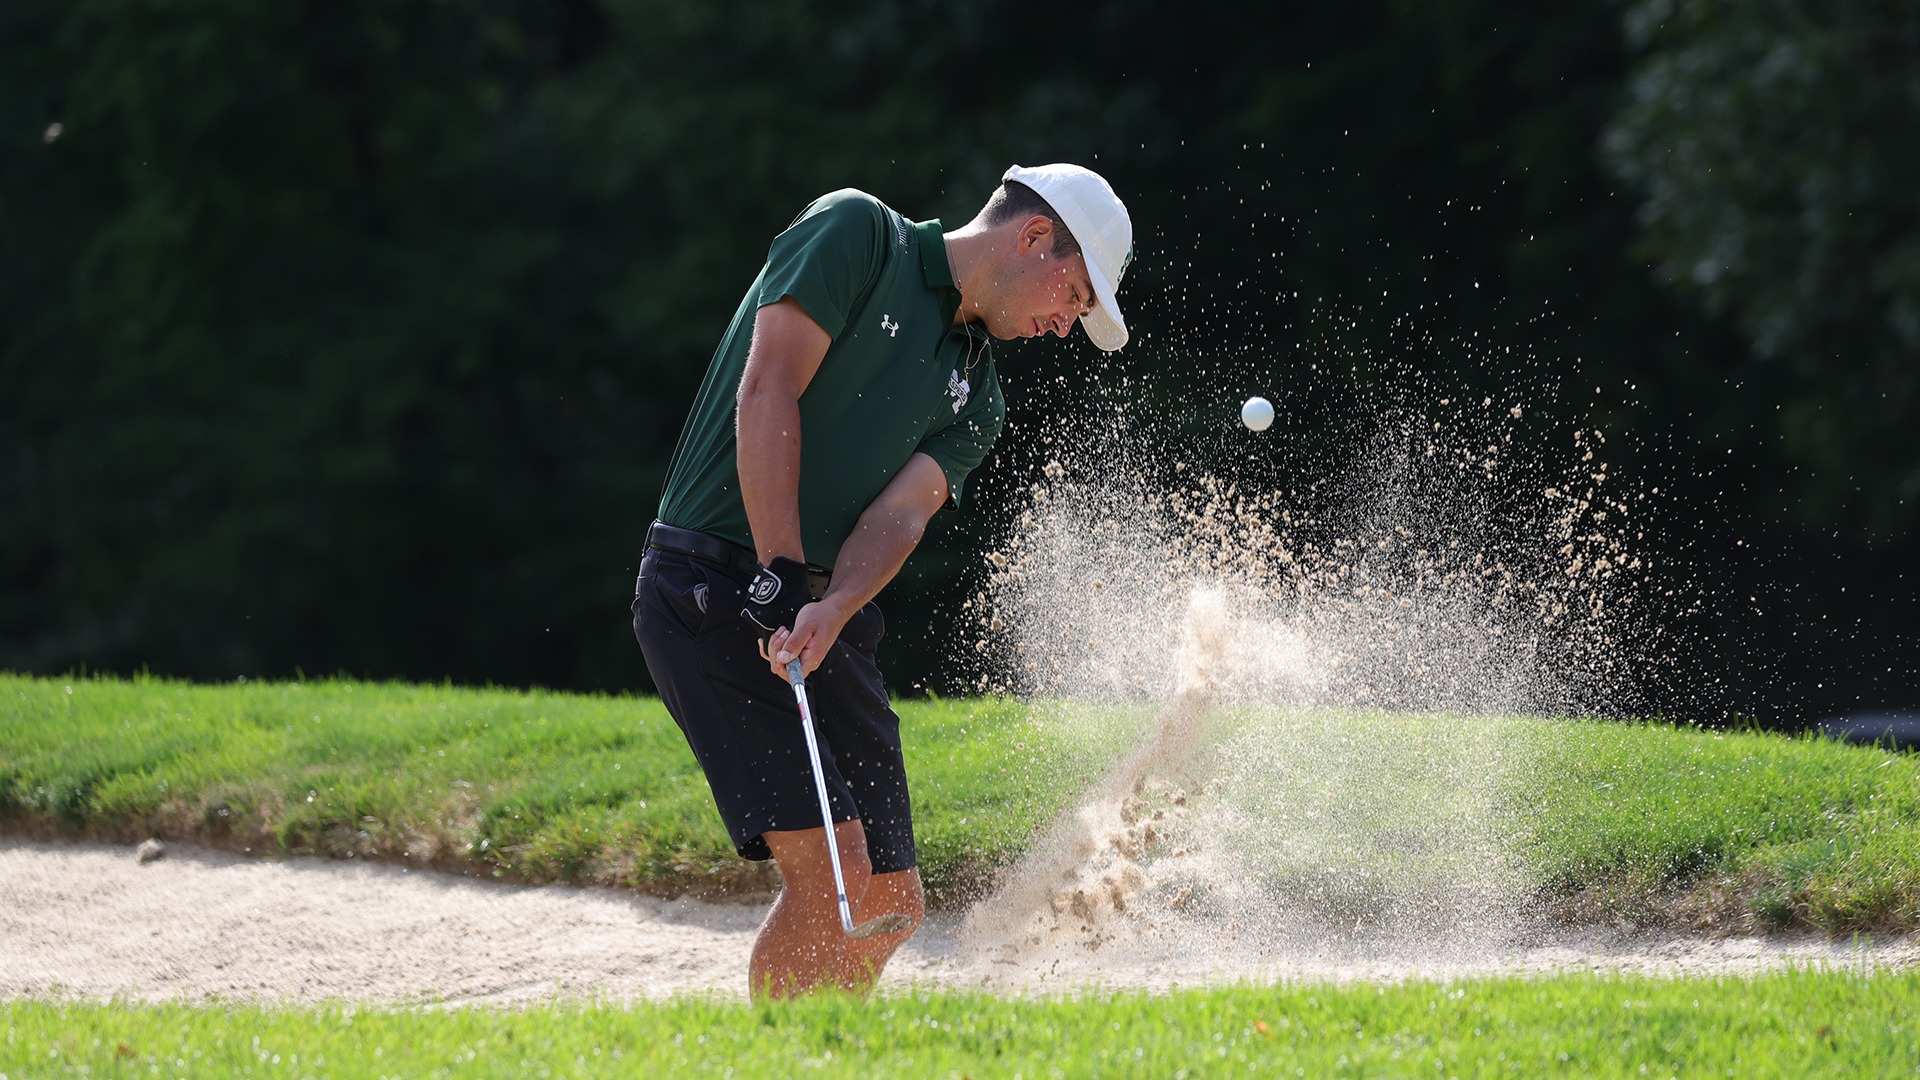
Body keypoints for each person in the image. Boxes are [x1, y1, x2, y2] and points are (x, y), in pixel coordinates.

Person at [632, 163, 1134, 999]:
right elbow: (768, 387)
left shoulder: (980, 398)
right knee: (836, 874)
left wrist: (833, 605)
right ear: (1035, 236)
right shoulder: (858, 234)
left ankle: (828, 1046)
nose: (1063, 326)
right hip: (711, 585)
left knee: (891, 901)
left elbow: (898, 516)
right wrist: (782, 571)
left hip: (819, 609)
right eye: (1075, 296)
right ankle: (778, 1056)